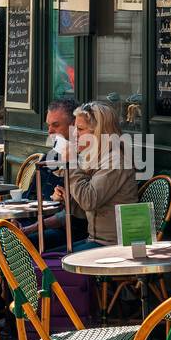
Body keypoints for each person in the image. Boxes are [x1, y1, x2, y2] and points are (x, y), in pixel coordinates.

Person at [0, 98, 84, 264]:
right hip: (30, 221)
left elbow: (72, 217)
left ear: (74, 126)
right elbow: (30, 196)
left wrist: (27, 229)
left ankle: (0, 286)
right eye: (48, 126)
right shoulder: (49, 158)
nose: (50, 131)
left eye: (56, 125)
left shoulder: (84, 162)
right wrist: (13, 218)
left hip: (61, 230)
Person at [52, 101, 138, 248]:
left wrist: (71, 163)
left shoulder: (116, 160)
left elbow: (88, 200)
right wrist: (68, 199)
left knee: (47, 264)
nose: (74, 134)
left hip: (113, 246)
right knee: (42, 258)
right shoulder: (96, 157)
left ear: (98, 132)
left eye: (80, 129)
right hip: (95, 240)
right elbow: (86, 209)